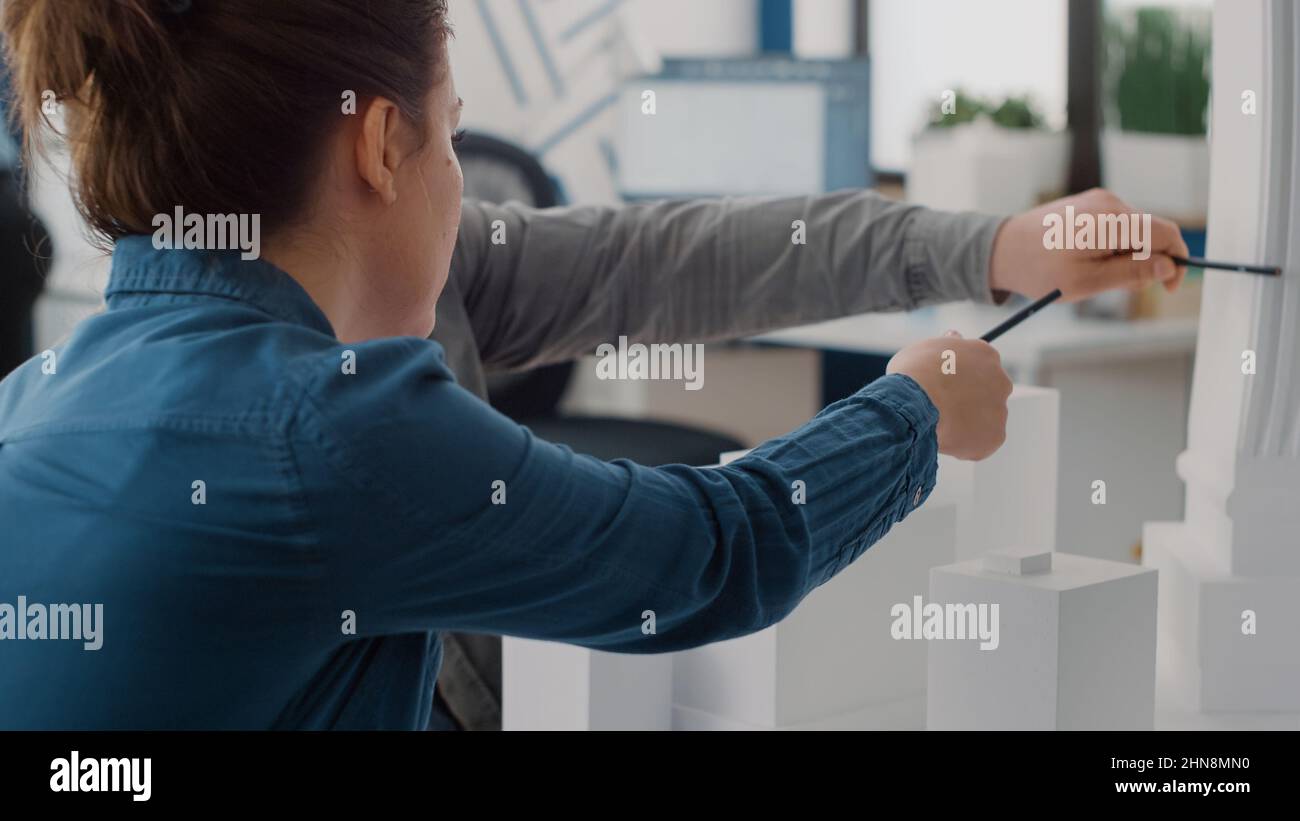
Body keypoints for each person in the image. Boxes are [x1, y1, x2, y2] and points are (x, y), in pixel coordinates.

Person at [0, 0, 1188, 730]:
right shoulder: (330, 427)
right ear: (380, 143)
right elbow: (715, 550)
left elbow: (662, 259)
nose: (460, 171)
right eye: (453, 132)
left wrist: (992, 247)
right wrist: (916, 410)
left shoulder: (32, 399)